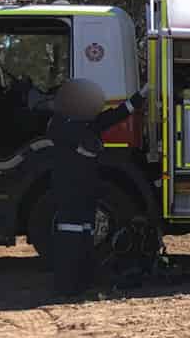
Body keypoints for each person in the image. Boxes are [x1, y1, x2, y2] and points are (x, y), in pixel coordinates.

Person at [44, 79, 146, 298]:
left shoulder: (83, 123)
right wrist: (91, 147)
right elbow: (84, 143)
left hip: (85, 190)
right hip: (69, 191)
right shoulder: (59, 124)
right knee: (69, 238)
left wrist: (140, 97)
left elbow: (115, 116)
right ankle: (66, 287)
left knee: (86, 236)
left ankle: (83, 283)